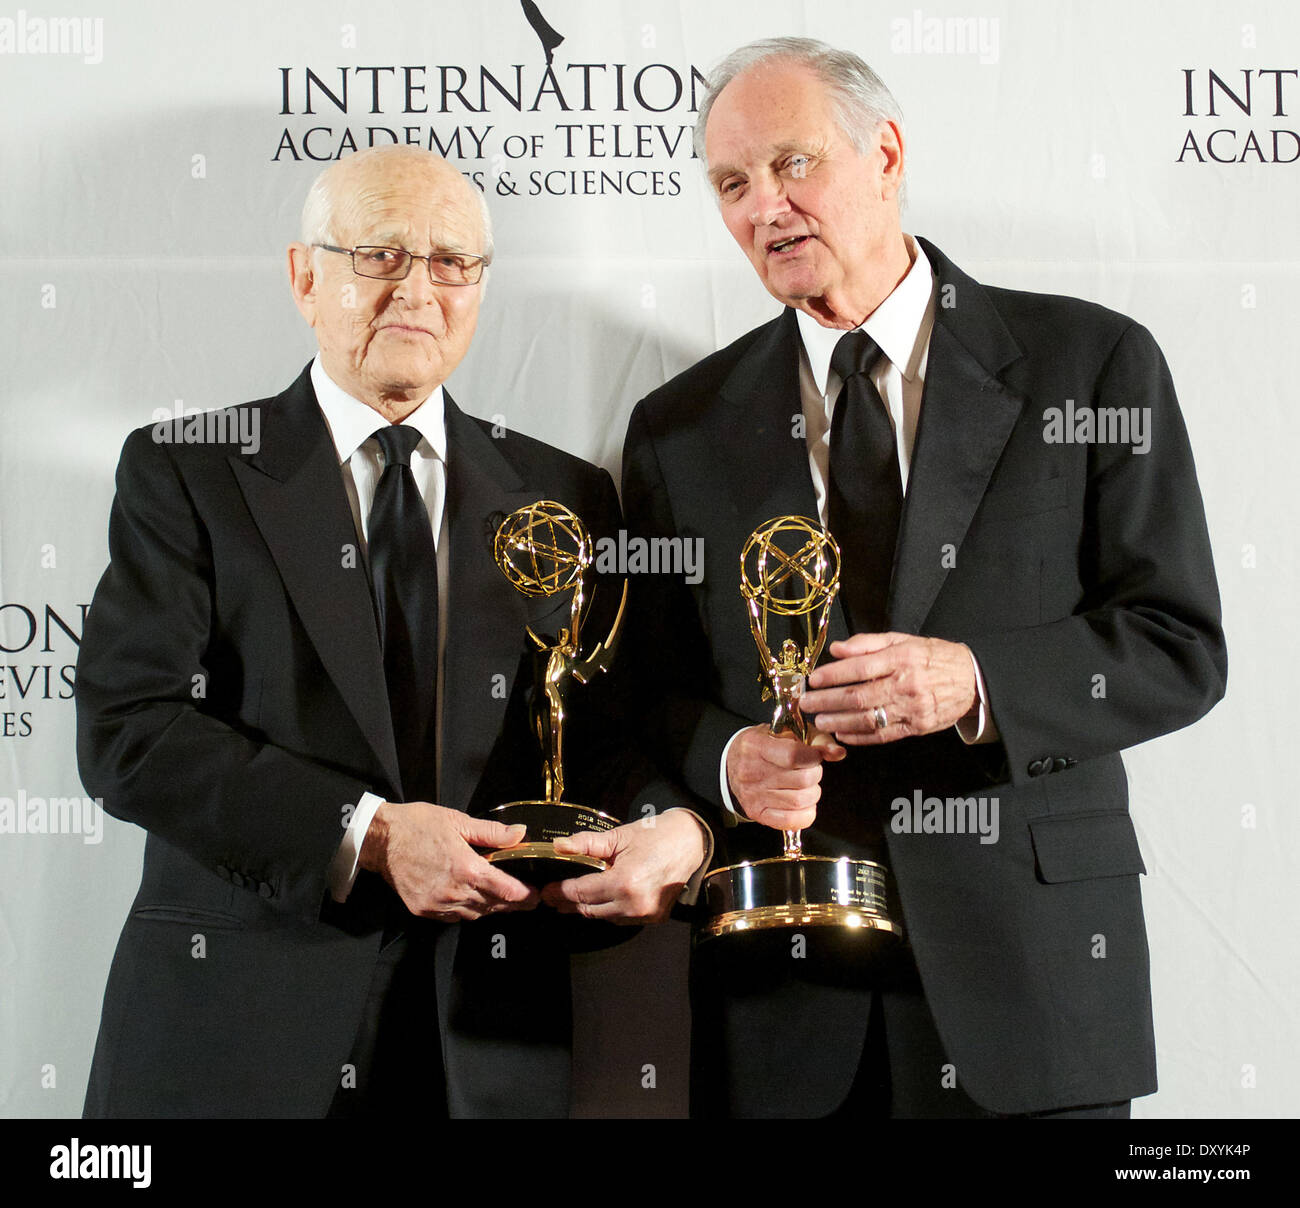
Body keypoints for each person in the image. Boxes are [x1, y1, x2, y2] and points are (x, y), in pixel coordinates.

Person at [620, 37, 1227, 1118]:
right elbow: (647, 694)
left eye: (792, 164)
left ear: (886, 152)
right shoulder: (678, 428)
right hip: (784, 1001)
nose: (766, 205)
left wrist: (973, 680)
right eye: (731, 183)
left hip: (1031, 986)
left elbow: (1176, 645)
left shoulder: (1089, 363)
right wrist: (727, 761)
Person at [76, 144, 708, 1119]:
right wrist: (367, 836)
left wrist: (676, 825)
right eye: (378, 255)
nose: (417, 288)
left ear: (481, 288)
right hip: (232, 1039)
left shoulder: (564, 494)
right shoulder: (190, 471)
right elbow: (131, 733)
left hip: (486, 1040)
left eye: (451, 262)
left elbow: (602, 735)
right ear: (304, 274)